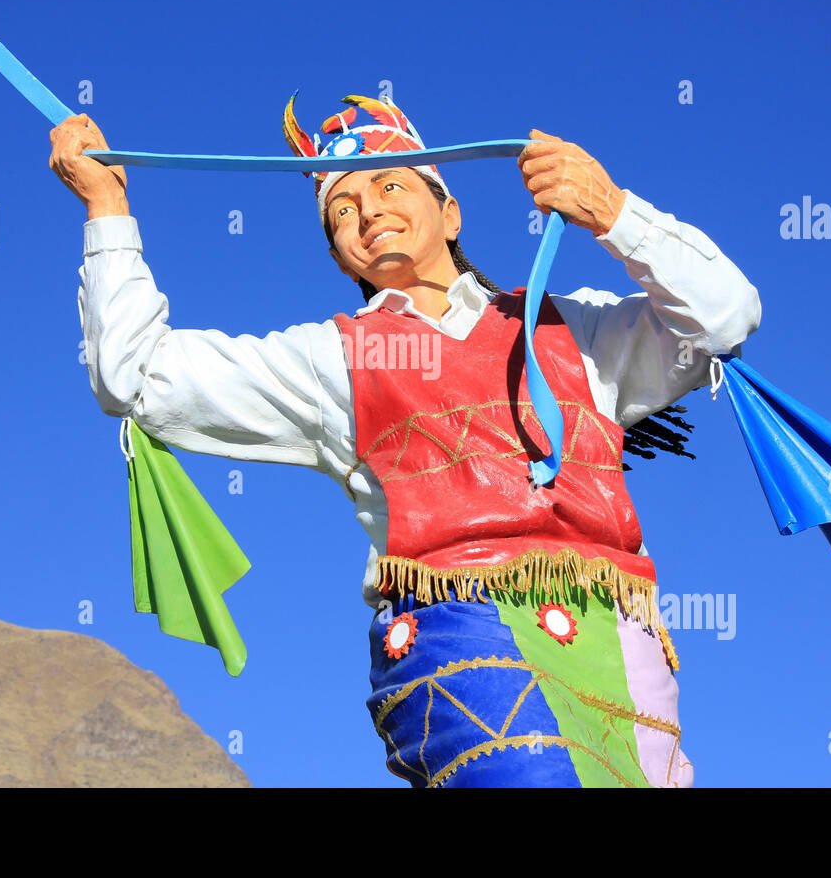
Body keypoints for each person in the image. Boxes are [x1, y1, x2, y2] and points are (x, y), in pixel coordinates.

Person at [50, 94, 762, 787]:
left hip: (619, 637)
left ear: (449, 211)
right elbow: (136, 376)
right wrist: (107, 208)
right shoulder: (329, 361)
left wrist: (612, 211)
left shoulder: (574, 331)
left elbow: (726, 317)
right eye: (343, 210)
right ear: (339, 257)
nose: (369, 212)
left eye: (389, 184)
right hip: (463, 640)